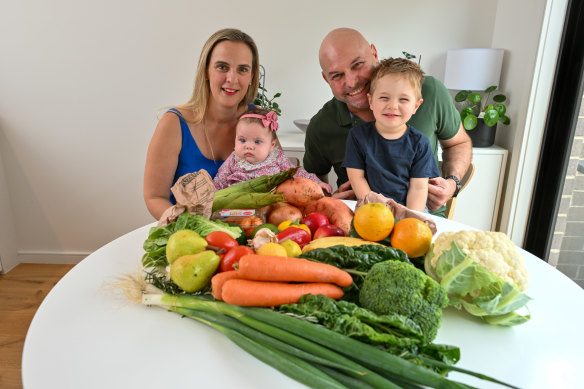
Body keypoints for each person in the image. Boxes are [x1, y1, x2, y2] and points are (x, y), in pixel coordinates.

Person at [303, 28, 472, 215]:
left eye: (357, 64)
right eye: (337, 75)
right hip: (360, 221)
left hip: (422, 219)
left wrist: (452, 183)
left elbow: (458, 143)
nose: (351, 82)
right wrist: (329, 201)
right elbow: (313, 181)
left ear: (374, 54)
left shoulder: (430, 91)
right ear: (326, 79)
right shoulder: (321, 125)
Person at [143, 28, 260, 220]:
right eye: (222, 67)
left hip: (246, 238)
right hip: (188, 237)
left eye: (242, 69)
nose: (232, 79)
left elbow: (279, 182)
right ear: (206, 70)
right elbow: (155, 197)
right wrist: (193, 227)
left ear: (252, 77)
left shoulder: (259, 122)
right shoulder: (173, 124)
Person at [343, 58, 440, 212]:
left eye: (403, 99)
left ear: (416, 106)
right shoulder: (357, 136)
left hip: (410, 208)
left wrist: (410, 218)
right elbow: (357, 179)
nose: (392, 106)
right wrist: (375, 210)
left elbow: (418, 188)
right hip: (369, 207)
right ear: (371, 101)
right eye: (384, 98)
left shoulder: (420, 142)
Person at [214, 107, 332, 193]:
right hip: (236, 205)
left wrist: (317, 183)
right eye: (242, 140)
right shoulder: (234, 159)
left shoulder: (277, 159)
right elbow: (219, 181)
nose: (248, 146)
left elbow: (297, 173)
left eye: (257, 142)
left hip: (270, 204)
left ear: (271, 145)